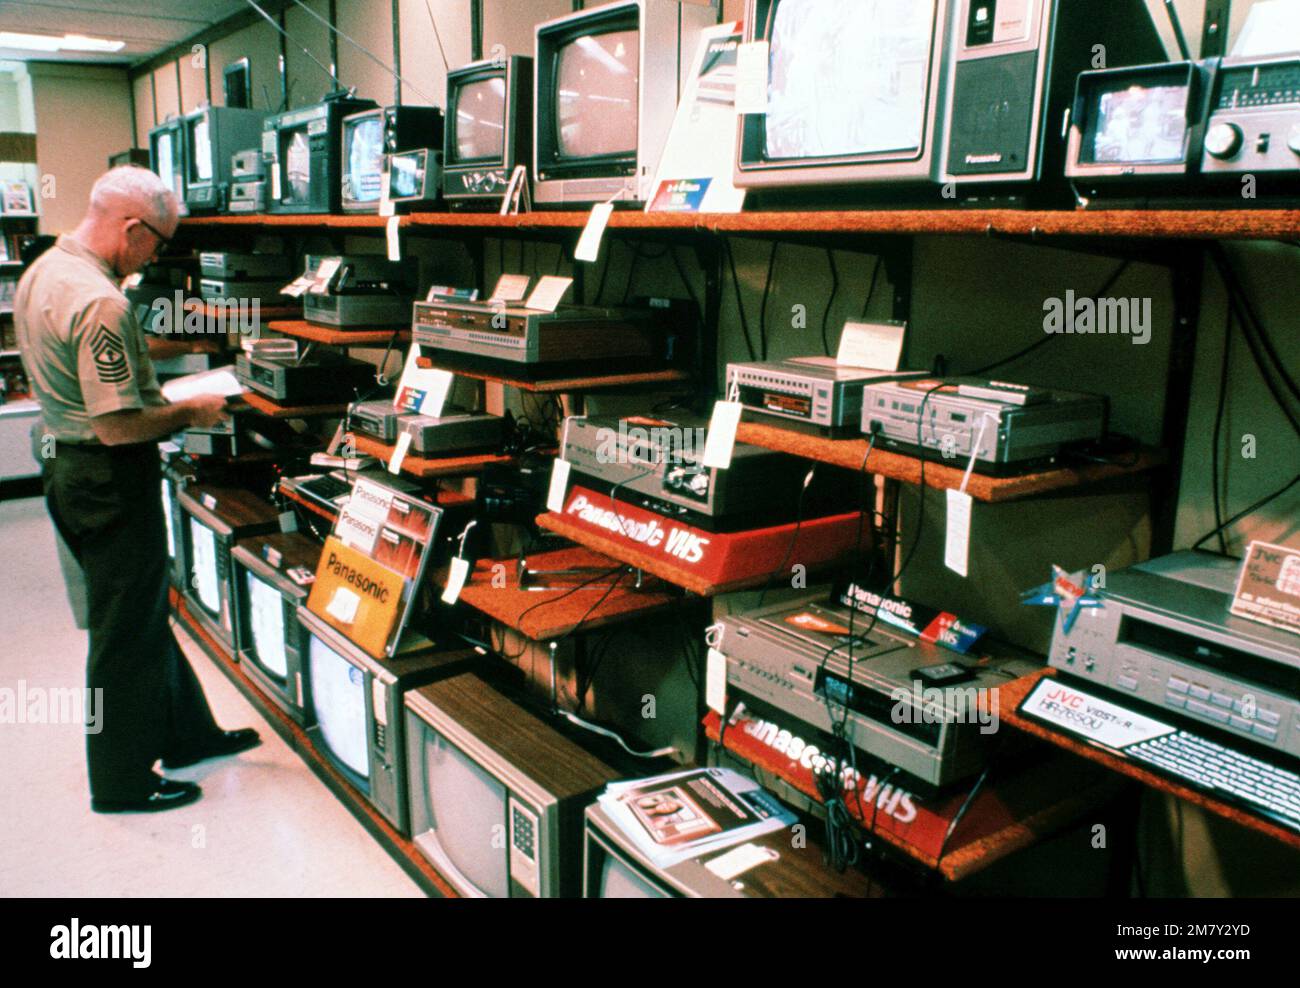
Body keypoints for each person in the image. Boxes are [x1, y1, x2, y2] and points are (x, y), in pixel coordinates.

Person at [14, 166, 260, 814]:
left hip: (65, 468)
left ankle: (186, 734)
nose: (156, 255)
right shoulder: (102, 301)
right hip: (108, 476)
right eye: (159, 242)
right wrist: (196, 408)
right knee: (123, 637)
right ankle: (120, 781)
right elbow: (120, 425)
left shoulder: (46, 268)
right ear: (132, 228)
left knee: (141, 613)